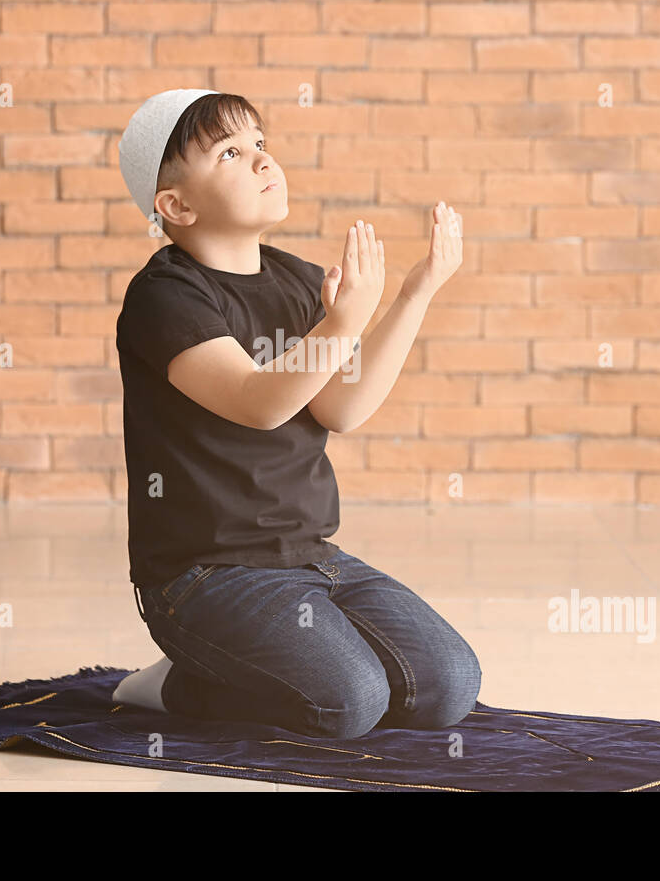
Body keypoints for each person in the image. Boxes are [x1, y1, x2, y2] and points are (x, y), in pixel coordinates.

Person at [112, 88, 479, 738]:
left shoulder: (299, 280)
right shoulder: (164, 296)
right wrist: (341, 323)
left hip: (310, 556)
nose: (261, 161)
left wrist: (416, 293)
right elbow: (259, 404)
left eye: (260, 143)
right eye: (231, 152)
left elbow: (342, 408)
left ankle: (280, 658)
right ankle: (176, 682)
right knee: (349, 703)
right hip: (203, 576)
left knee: (449, 686)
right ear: (176, 205)